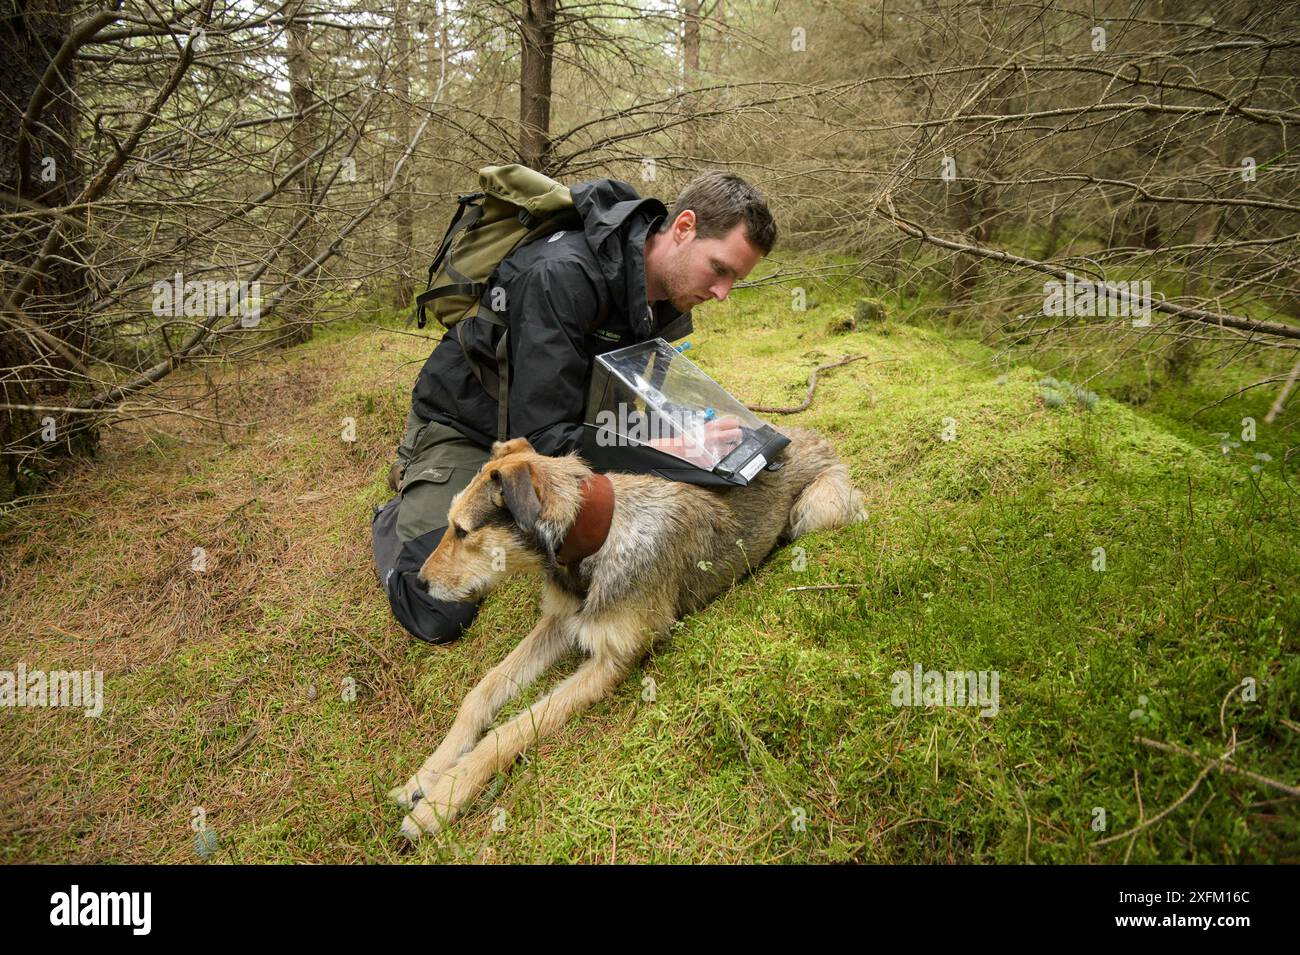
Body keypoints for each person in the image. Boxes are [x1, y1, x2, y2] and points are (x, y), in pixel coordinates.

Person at [373, 170, 778, 644]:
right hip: (466, 424)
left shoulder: (665, 294)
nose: (723, 293)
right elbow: (546, 441)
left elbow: (627, 404)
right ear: (684, 228)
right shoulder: (561, 274)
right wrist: (668, 449)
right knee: (436, 611)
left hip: (553, 431)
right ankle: (401, 501)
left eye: (735, 279)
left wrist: (689, 433)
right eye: (721, 269)